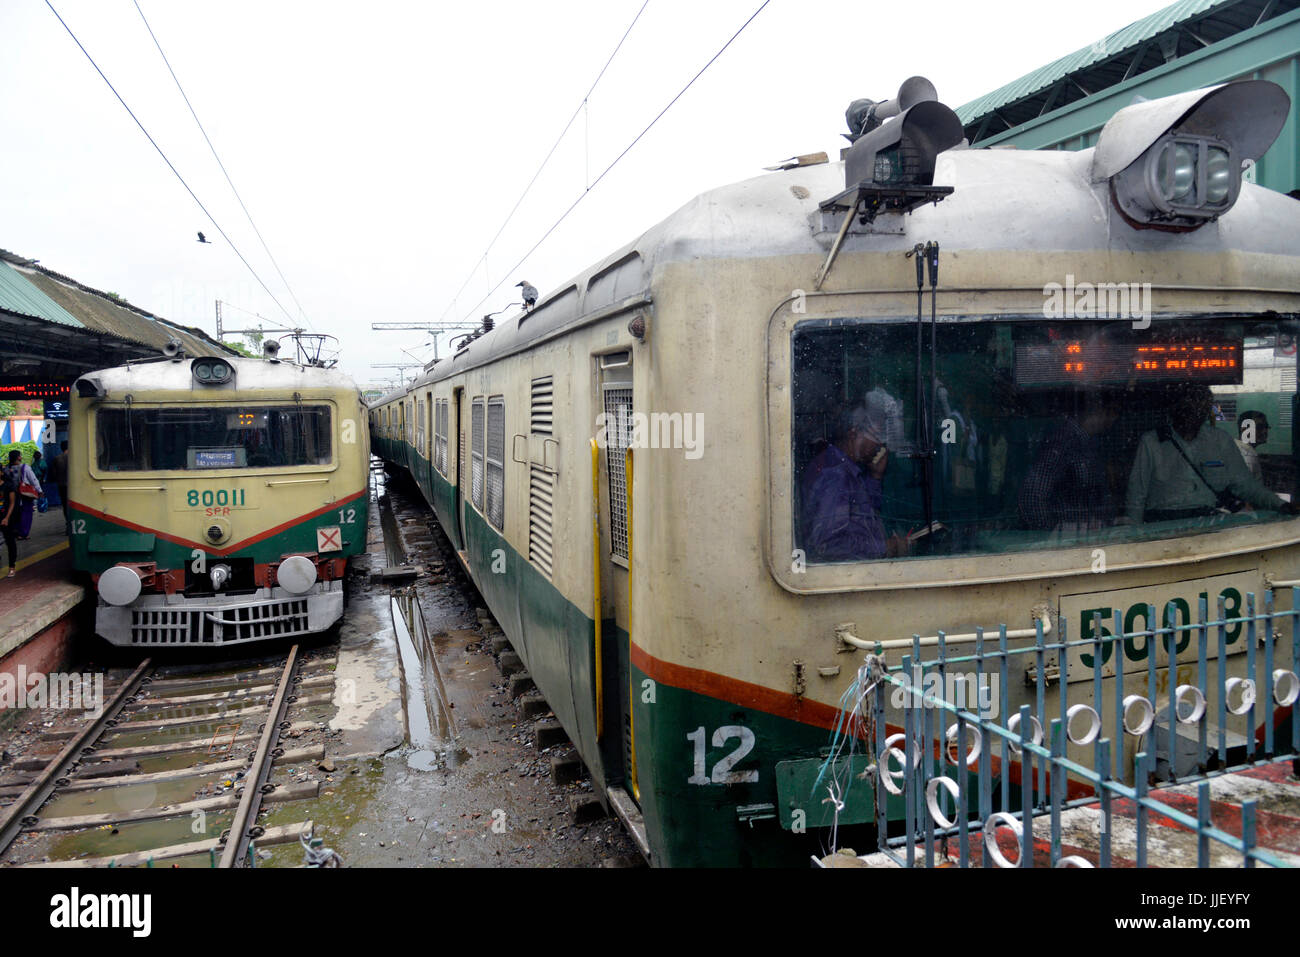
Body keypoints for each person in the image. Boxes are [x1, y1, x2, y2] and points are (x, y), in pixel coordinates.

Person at [1125, 385, 1289, 523]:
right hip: (1163, 524)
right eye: (1190, 407)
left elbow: (1245, 485)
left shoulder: (1220, 440)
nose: (1195, 413)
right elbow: (1136, 495)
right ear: (1176, 409)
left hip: (1207, 524)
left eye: (1201, 408)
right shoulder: (1152, 442)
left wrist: (1280, 505)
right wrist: (1133, 533)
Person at [801, 397, 909, 561]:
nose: (881, 444)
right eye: (877, 436)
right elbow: (829, 544)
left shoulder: (845, 467)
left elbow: (863, 516)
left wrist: (875, 476)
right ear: (854, 433)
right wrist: (886, 547)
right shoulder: (836, 476)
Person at [1019, 392, 1121, 531]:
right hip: (1067, 543)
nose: (1115, 418)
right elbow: (1032, 497)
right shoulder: (1062, 442)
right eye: (1113, 411)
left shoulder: (1091, 442)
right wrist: (1052, 535)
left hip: (1087, 537)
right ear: (1097, 410)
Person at [4, 450, 41, 541]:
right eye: (20, 455)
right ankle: (23, 533)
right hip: (24, 494)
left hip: (11, 495)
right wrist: (39, 490)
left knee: (15, 513)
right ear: (18, 457)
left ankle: (15, 532)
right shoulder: (25, 467)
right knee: (26, 513)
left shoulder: (6, 469)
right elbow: (33, 480)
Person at [1235, 410, 1268, 480]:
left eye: (1266, 427)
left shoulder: (1241, 451)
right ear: (1245, 430)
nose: (1265, 431)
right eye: (1260, 427)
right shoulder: (1245, 457)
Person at [0, 459, 16, 577]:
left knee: (10, 542)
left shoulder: (8, 486)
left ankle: (12, 567)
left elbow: (12, 503)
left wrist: (7, 517)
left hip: (6, 517)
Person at [48, 440, 70, 521]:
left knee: (65, 504)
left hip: (62, 485)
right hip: (74, 485)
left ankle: (67, 523)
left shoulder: (56, 459)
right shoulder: (74, 458)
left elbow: (53, 475)